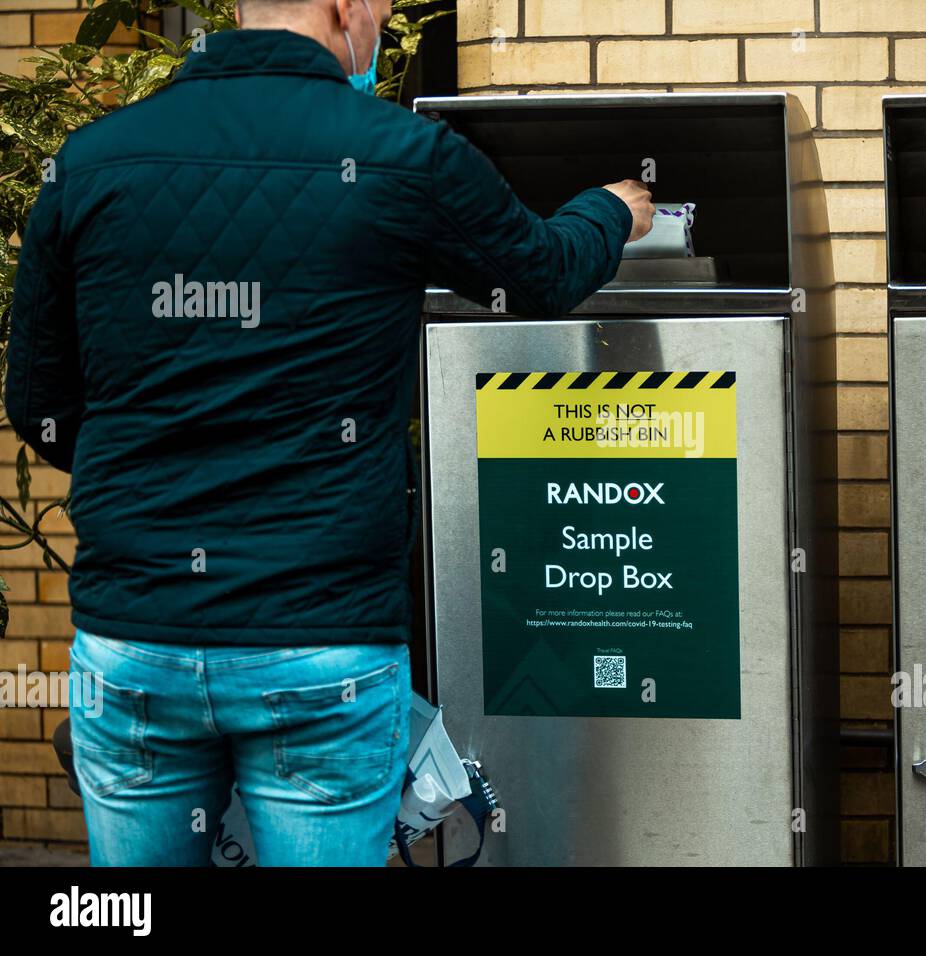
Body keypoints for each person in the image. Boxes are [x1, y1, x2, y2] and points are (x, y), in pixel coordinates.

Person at [4, 0, 653, 866]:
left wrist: (152, 484)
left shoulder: (90, 162)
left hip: (135, 641)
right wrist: (611, 211)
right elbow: (539, 273)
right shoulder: (400, 154)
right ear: (345, 5)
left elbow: (40, 400)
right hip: (321, 647)